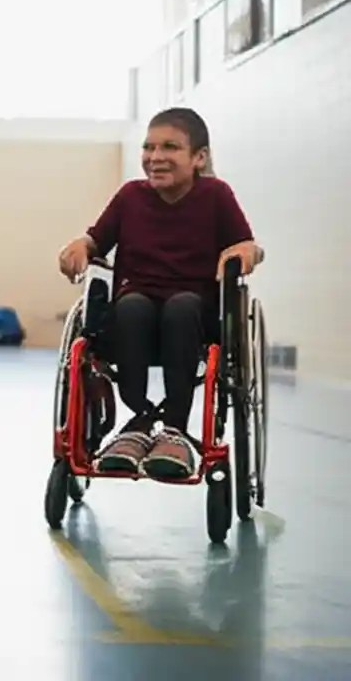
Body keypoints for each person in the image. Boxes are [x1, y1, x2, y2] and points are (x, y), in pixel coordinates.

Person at [57, 107, 262, 480]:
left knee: (181, 308)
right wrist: (79, 247)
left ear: (199, 157)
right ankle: (138, 419)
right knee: (132, 306)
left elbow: (249, 246)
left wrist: (243, 252)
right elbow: (95, 239)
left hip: (194, 310)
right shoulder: (131, 196)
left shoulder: (216, 195)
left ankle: (175, 429)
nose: (155, 157)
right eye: (148, 147)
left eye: (170, 147)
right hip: (137, 305)